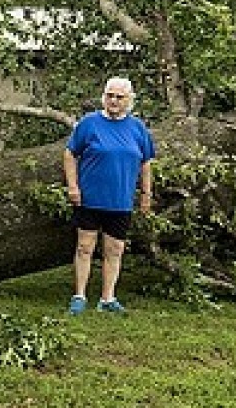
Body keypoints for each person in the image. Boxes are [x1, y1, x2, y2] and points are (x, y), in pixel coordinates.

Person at [62, 76, 155, 314]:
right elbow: (70, 154)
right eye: (109, 95)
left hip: (121, 200)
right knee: (85, 247)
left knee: (114, 249)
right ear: (103, 97)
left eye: (119, 97)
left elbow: (146, 163)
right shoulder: (89, 123)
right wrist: (72, 186)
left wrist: (146, 194)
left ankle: (107, 298)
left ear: (129, 100)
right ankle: (80, 295)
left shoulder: (137, 128)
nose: (113, 101)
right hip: (90, 198)